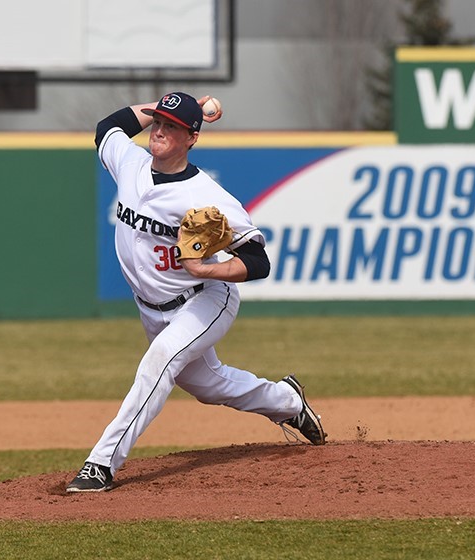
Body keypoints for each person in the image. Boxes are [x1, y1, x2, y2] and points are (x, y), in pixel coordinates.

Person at [65, 92, 326, 493]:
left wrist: (208, 268)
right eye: (158, 124)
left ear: (192, 138)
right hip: (152, 310)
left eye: (174, 127)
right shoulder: (130, 163)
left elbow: (258, 261)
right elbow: (107, 129)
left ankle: (101, 463)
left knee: (158, 363)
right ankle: (288, 402)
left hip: (206, 298)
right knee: (211, 386)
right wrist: (162, 107)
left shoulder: (208, 196)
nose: (160, 132)